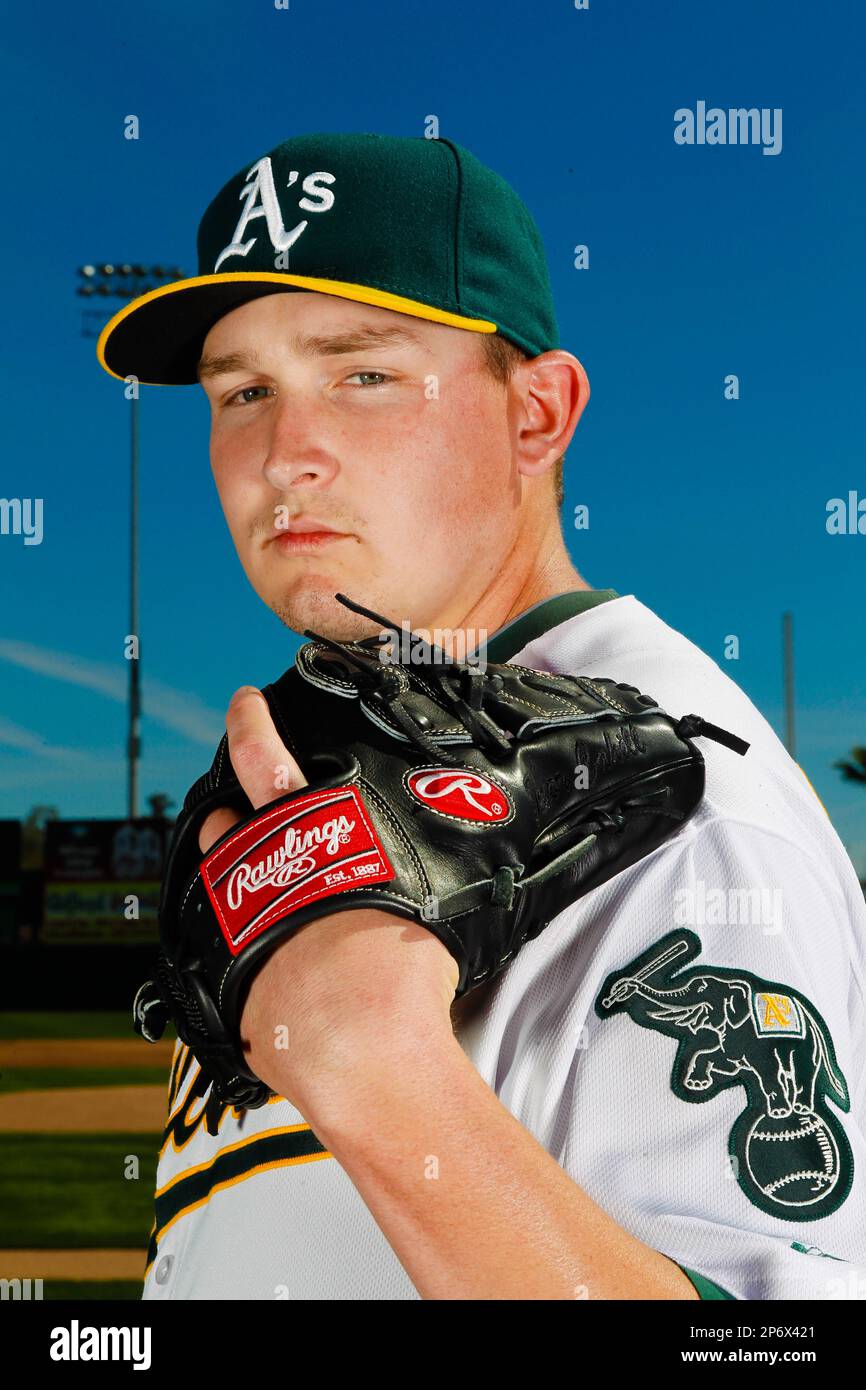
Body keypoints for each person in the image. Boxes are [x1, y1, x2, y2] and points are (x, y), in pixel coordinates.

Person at [99, 131, 866, 1301]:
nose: (284, 456)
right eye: (242, 391)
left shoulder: (685, 808)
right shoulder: (330, 764)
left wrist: (386, 1074)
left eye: (362, 373)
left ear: (536, 416)